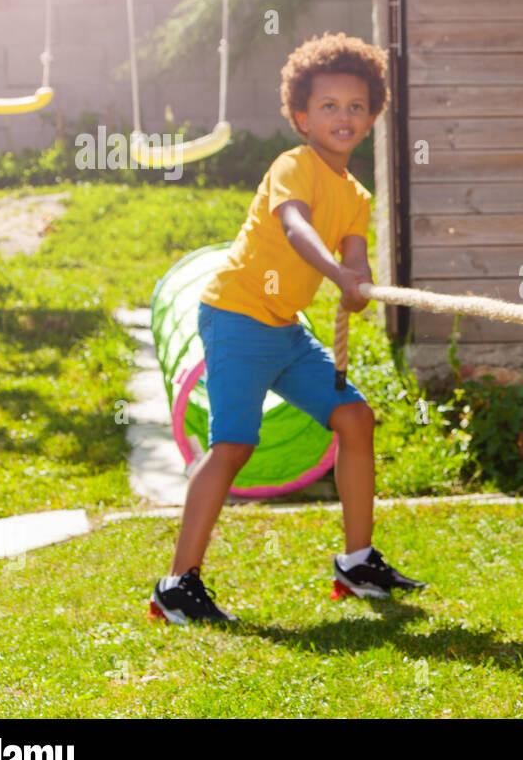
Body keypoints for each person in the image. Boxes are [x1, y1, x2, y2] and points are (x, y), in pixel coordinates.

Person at [149, 32, 424, 624]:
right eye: (329, 106)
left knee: (354, 416)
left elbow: (356, 257)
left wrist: (359, 287)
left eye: (356, 106)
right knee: (234, 445)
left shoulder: (354, 193)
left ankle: (356, 562)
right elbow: (298, 231)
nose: (343, 117)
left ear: (372, 115)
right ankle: (177, 584)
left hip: (284, 330)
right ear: (302, 116)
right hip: (237, 319)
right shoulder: (293, 166)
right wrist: (338, 275)